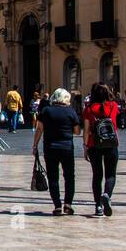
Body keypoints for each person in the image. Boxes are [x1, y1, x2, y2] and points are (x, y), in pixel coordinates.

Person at [33, 87, 81, 215]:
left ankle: (57, 206)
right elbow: (77, 131)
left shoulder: (46, 111)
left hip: (50, 148)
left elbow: (39, 129)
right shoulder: (71, 112)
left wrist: (35, 145)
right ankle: (68, 204)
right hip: (67, 148)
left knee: (53, 178)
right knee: (69, 177)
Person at [82, 82, 120, 217]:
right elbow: (115, 124)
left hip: (94, 144)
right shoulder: (113, 106)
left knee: (97, 175)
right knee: (111, 174)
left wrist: (85, 147)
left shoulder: (89, 109)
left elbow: (86, 131)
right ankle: (107, 194)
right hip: (111, 144)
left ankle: (98, 206)